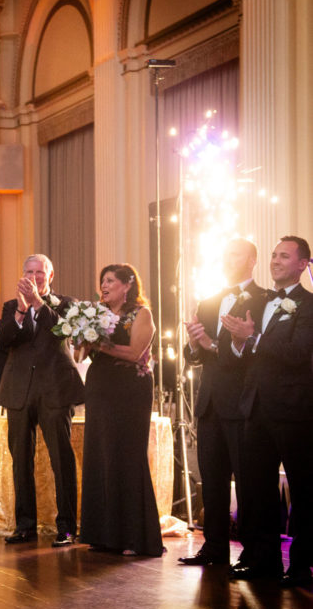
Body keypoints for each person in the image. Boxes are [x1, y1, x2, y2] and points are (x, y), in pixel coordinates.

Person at [222, 236, 313, 588]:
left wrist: (254, 338)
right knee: (256, 489)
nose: (275, 261)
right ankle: (262, 559)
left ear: (303, 264)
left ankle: (302, 565)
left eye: (284, 256)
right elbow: (244, 359)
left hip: (293, 410)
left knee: (303, 492)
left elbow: (299, 353)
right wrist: (238, 341)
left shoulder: (307, 305)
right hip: (255, 406)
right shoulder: (258, 301)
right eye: (274, 255)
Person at [180, 239, 266, 566]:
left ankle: (253, 551)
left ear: (252, 260)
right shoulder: (208, 302)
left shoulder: (264, 300)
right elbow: (195, 360)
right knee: (212, 481)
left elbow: (252, 356)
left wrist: (210, 343)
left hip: (244, 404)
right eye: (226, 254)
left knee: (248, 482)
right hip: (210, 403)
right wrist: (193, 344)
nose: (230, 259)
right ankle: (213, 546)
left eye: (237, 254)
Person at [0, 254, 82, 547]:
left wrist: (36, 303)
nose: (34, 276)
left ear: (51, 275)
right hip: (19, 390)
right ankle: (24, 526)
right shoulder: (11, 306)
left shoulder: (66, 303)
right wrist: (20, 313)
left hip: (55, 388)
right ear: (22, 274)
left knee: (61, 459)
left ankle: (67, 527)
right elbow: (3, 341)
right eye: (29, 271)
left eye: (40, 272)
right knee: (20, 460)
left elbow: (62, 330)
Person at [80, 263, 163, 557]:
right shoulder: (97, 314)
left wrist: (98, 344)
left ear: (127, 285)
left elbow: (135, 352)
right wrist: (80, 338)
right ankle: (103, 535)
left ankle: (135, 537)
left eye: (111, 280)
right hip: (100, 388)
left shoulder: (141, 314)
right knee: (100, 455)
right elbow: (81, 353)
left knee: (126, 456)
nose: (104, 285)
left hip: (130, 390)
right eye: (102, 280)